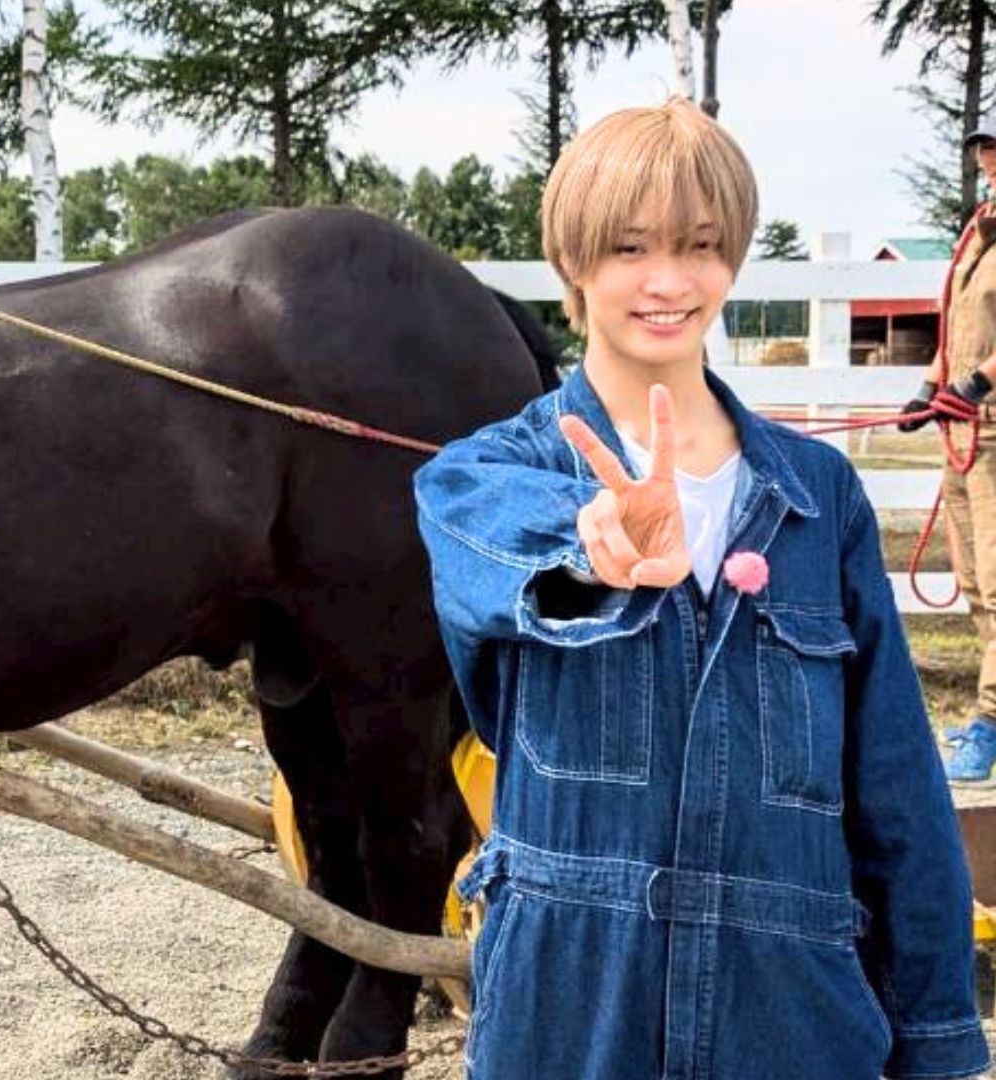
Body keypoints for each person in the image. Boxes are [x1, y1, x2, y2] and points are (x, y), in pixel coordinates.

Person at [415, 98, 988, 1080]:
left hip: (793, 1019)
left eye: (702, 245)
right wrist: (596, 559)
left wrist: (936, 1037)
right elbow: (510, 575)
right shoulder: (482, 478)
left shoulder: (821, 499)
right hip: (572, 1018)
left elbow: (897, 786)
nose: (670, 280)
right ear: (573, 261)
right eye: (630, 247)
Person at [901, 118, 996, 785]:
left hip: (993, 429)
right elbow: (954, 325)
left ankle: (990, 721)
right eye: (986, 151)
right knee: (974, 586)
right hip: (965, 434)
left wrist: (979, 383)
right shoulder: (980, 234)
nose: (989, 161)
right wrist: (929, 388)